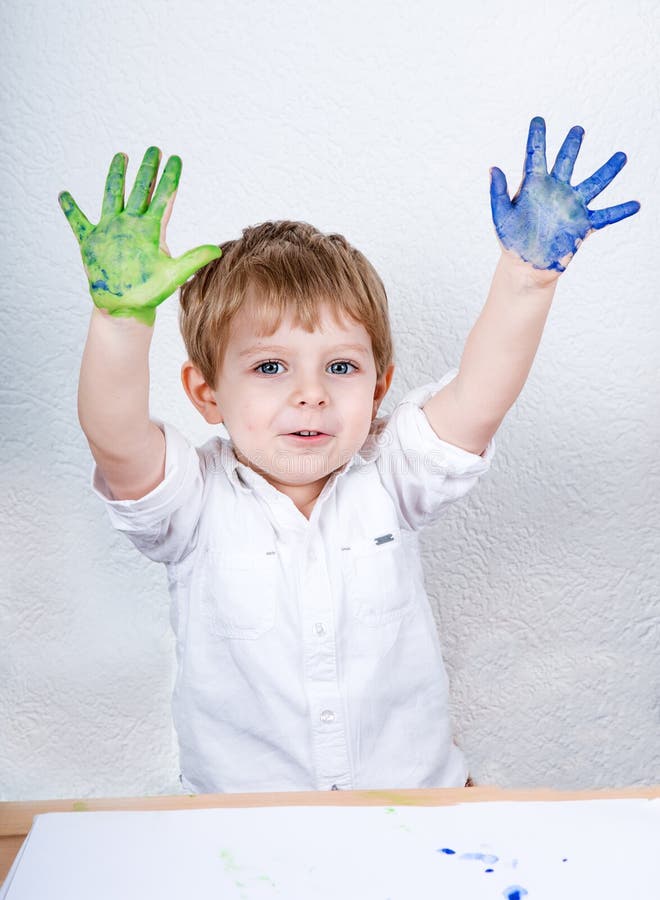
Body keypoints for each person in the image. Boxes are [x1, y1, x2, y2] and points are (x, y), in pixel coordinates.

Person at [59, 118, 639, 793]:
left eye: (339, 367)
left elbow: (478, 398)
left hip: (422, 812)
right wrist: (120, 323)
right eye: (271, 367)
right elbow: (116, 437)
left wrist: (528, 281)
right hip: (238, 832)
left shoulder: (391, 475)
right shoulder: (192, 504)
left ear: (379, 386)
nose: (310, 395)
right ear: (206, 392)